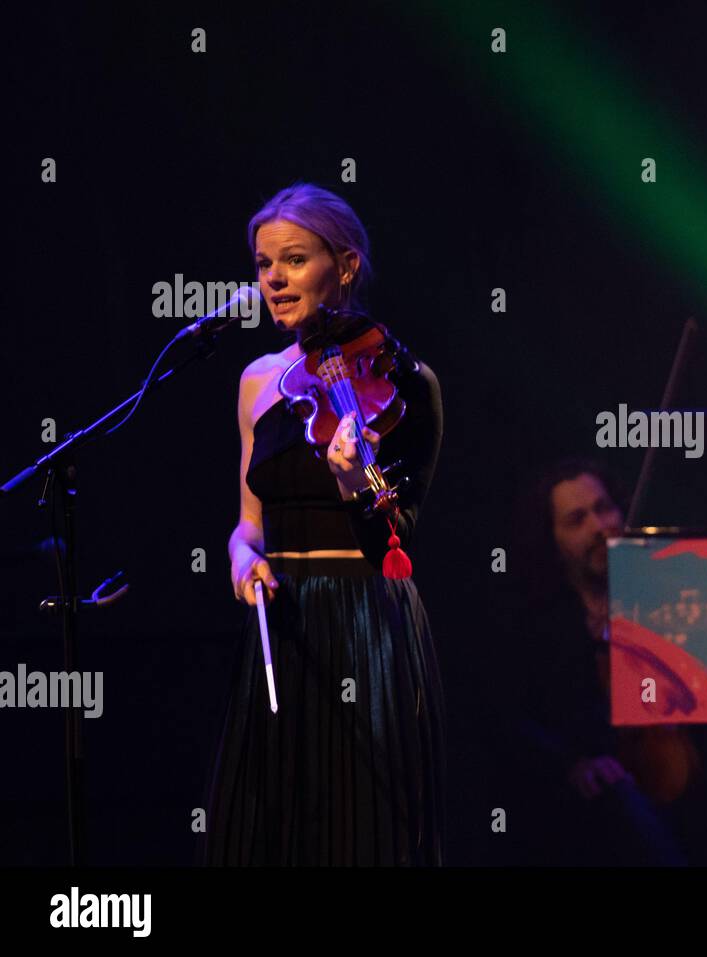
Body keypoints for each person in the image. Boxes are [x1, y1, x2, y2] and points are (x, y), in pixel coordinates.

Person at [199, 183, 446, 865]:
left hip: (366, 620)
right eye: (263, 264)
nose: (274, 279)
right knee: (263, 830)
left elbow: (396, 538)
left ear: (346, 266)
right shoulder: (258, 380)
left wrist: (353, 479)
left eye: (295, 260)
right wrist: (241, 559)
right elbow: (247, 526)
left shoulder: (407, 381)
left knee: (362, 832)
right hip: (283, 622)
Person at [505, 459, 694, 865]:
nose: (598, 526)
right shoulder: (538, 626)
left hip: (680, 799)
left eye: (603, 508)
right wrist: (573, 765)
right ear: (553, 542)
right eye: (577, 520)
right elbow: (515, 722)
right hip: (583, 817)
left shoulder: (664, 602)